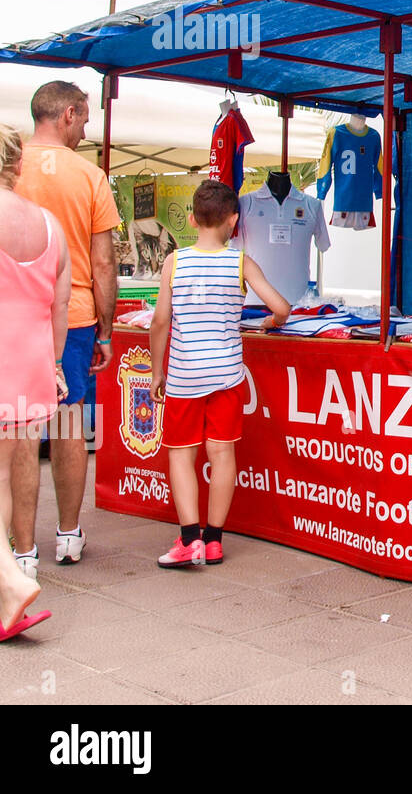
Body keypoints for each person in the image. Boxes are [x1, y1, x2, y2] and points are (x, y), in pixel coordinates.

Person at [148, 180, 290, 567]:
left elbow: (160, 322)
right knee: (222, 453)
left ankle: (188, 538)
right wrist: (269, 322)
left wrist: (157, 371)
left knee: (181, 456)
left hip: (184, 375)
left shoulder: (174, 262)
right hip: (227, 375)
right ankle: (213, 541)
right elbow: (281, 306)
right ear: (233, 220)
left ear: (192, 219)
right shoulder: (240, 261)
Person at [11, 82, 120, 579]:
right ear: (69, 113)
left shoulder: (10, 166)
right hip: (72, 315)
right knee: (69, 421)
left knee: (19, 430)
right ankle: (70, 534)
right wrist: (105, 328)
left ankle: (21, 549)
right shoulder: (90, 175)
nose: (86, 130)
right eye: (84, 120)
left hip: (11, 316)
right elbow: (103, 260)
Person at [0, 125, 69, 636]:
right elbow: (60, 305)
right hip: (32, 362)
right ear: (18, 163)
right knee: (9, 471)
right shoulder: (49, 224)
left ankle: (13, 586)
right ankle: (15, 572)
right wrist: (56, 364)